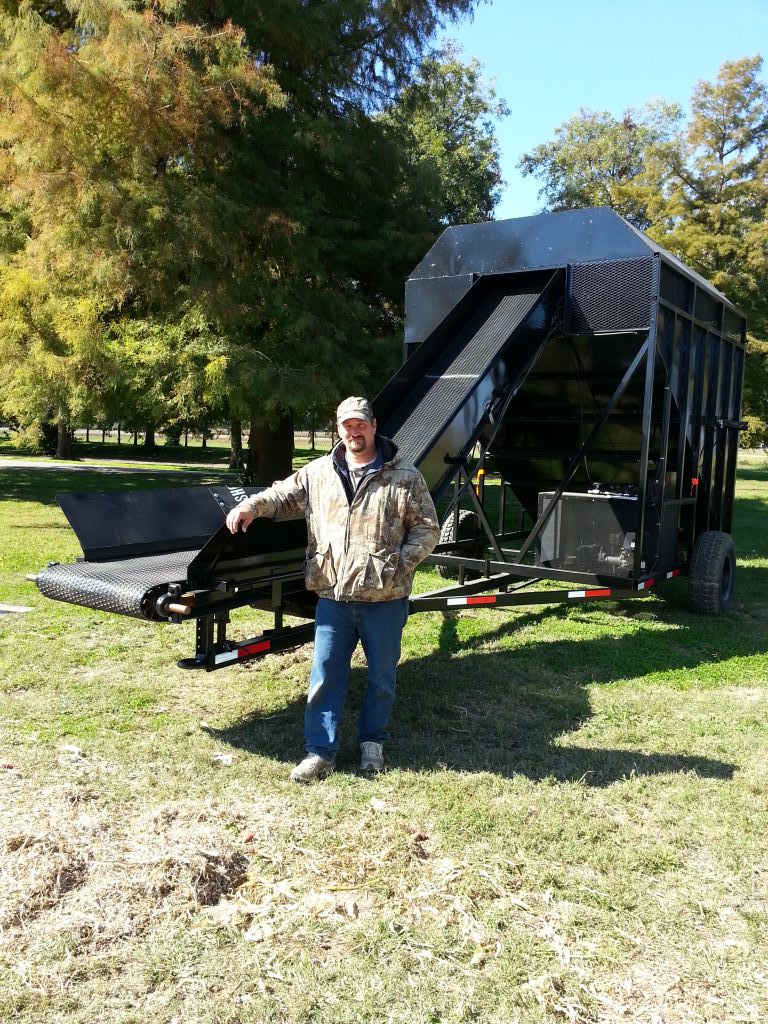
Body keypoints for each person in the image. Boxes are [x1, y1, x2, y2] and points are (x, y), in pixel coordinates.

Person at [226, 397, 439, 783]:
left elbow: (427, 528)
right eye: (347, 426)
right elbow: (282, 495)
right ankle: (320, 753)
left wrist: (397, 566)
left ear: (373, 425)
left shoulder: (404, 475)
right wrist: (251, 507)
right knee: (324, 675)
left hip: (384, 600)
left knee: (381, 678)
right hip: (333, 598)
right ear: (338, 429)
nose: (354, 432)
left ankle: (372, 743)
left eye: (360, 424)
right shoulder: (319, 472)